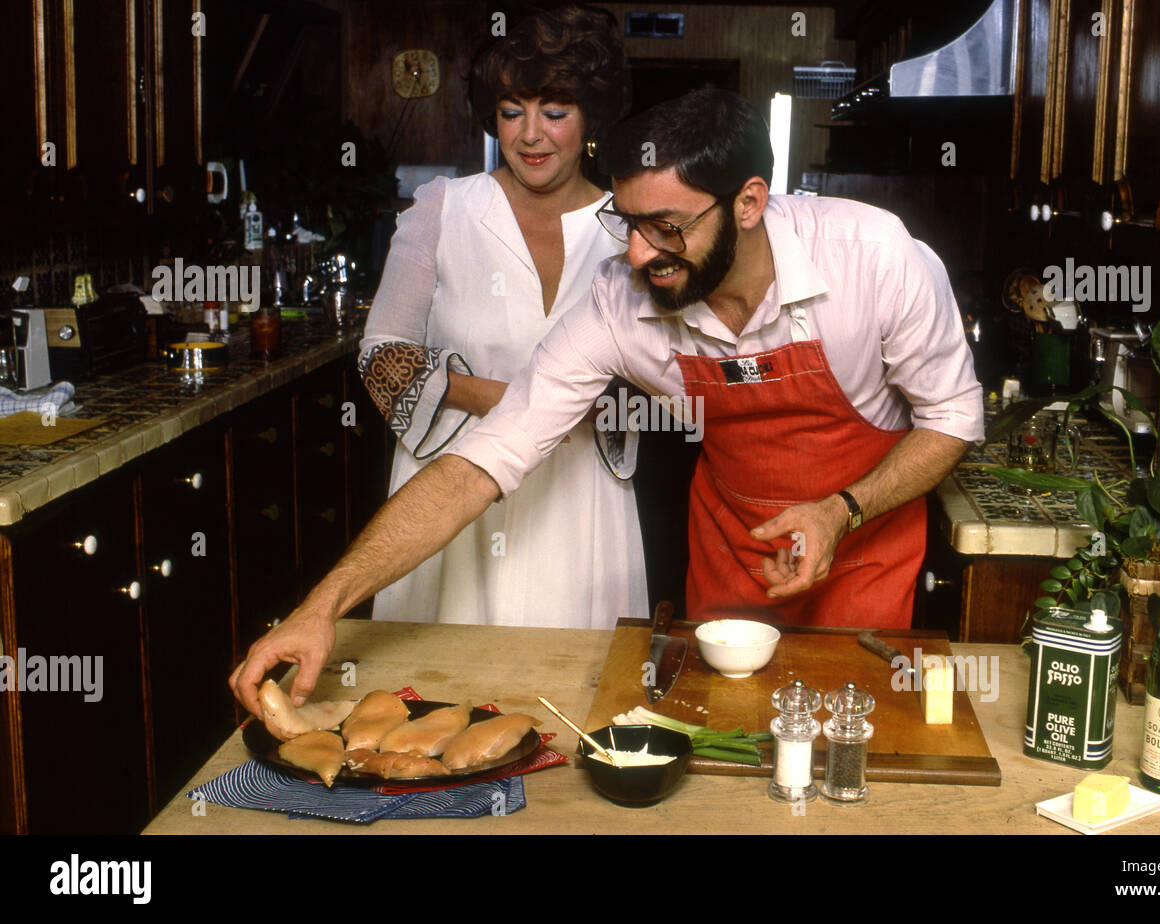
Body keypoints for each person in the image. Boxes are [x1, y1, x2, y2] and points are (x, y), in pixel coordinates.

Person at [231, 88, 982, 713]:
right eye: (626, 224)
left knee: (849, 739)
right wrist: (323, 605)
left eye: (667, 228)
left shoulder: (875, 260)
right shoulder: (619, 307)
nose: (637, 255)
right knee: (723, 746)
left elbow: (951, 420)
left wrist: (840, 511)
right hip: (735, 553)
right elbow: (484, 461)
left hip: (862, 545)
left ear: (749, 202)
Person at [357, 4, 646, 628]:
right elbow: (382, 357)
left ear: (590, 116)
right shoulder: (445, 209)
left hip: (579, 502)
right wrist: (525, 402)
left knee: (578, 700)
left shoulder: (629, 231)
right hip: (450, 496)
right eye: (512, 112)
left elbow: (654, 382)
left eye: (555, 112)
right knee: (436, 704)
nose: (530, 135)